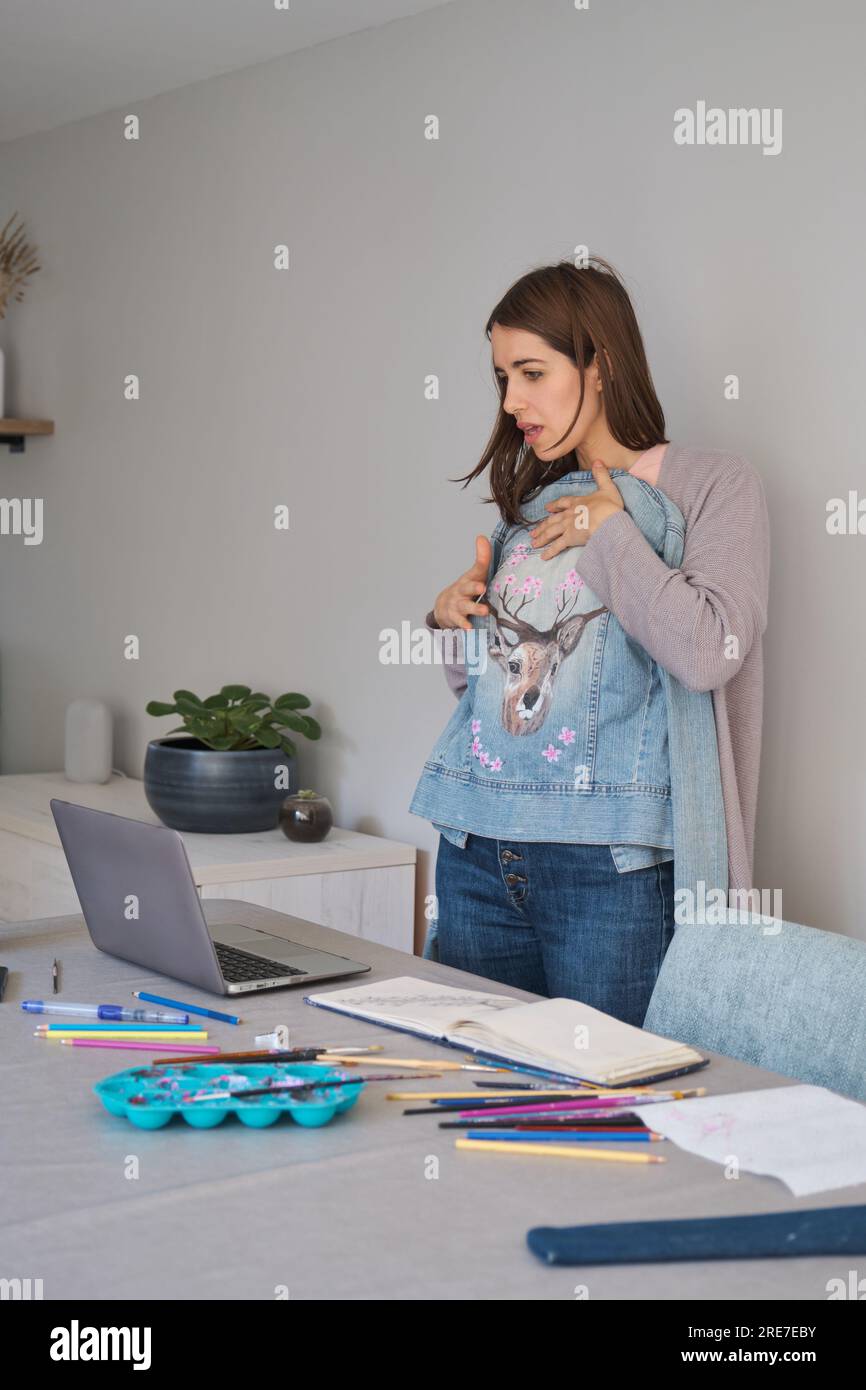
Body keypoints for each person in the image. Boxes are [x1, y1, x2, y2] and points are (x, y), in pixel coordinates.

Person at [409, 256, 770, 1027]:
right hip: (478, 848)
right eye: (503, 377)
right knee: (479, 1097)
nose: (512, 403)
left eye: (532, 372)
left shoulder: (713, 486)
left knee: (614, 1110)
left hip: (610, 868)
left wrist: (609, 535)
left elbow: (710, 648)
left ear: (598, 363)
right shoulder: (534, 505)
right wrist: (453, 622)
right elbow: (510, 696)